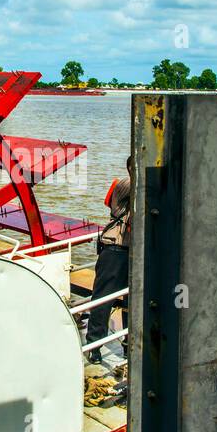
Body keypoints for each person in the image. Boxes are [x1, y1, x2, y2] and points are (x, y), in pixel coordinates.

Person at [85, 155, 132, 364]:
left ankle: (129, 346)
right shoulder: (127, 184)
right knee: (103, 300)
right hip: (114, 250)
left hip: (132, 251)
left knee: (131, 302)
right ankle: (94, 346)